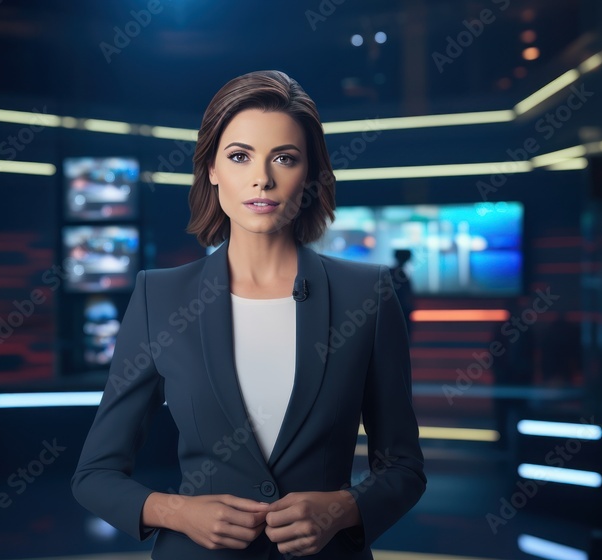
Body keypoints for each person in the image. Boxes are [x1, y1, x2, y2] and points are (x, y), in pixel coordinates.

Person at [72, 70, 426, 559]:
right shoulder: (160, 296)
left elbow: (404, 468)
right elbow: (95, 475)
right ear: (212, 168)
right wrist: (180, 512)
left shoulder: (367, 292)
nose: (263, 177)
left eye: (285, 157)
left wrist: (342, 509)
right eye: (240, 156)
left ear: (310, 173)